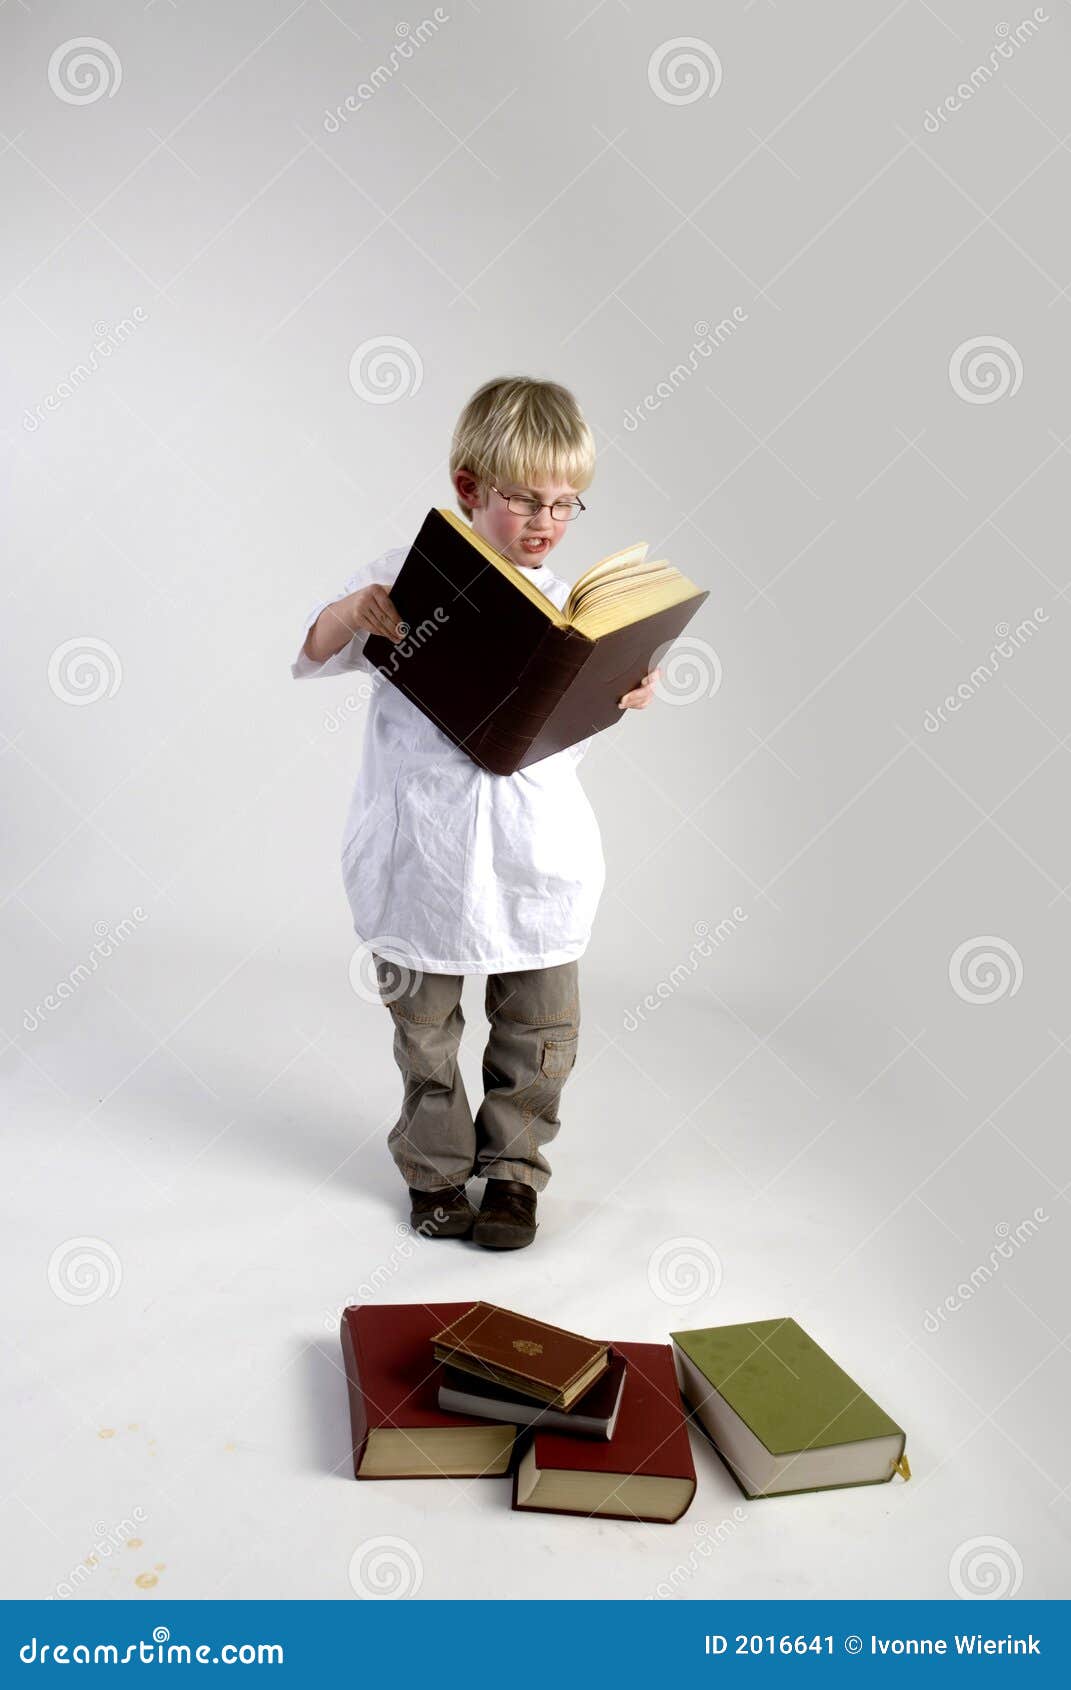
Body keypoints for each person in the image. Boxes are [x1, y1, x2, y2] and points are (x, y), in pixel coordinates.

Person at [291, 376, 660, 1249]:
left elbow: (574, 715)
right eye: (524, 500)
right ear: (468, 488)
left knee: (538, 1033)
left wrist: (627, 683)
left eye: (567, 505)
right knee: (425, 1033)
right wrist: (350, 613)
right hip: (423, 856)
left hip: (538, 861)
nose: (546, 523)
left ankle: (513, 1177)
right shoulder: (403, 579)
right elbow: (310, 652)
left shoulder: (570, 607)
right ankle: (435, 1174)